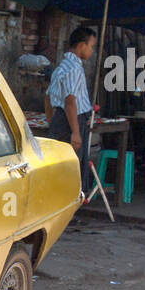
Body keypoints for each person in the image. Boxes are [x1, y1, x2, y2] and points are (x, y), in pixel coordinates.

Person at [45, 26, 97, 195]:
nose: (91, 50)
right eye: (91, 46)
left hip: (59, 121)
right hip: (71, 121)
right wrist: (75, 132)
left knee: (59, 167)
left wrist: (51, 122)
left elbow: (48, 98)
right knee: (70, 170)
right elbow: (70, 102)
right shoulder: (74, 69)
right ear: (82, 45)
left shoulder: (61, 67)